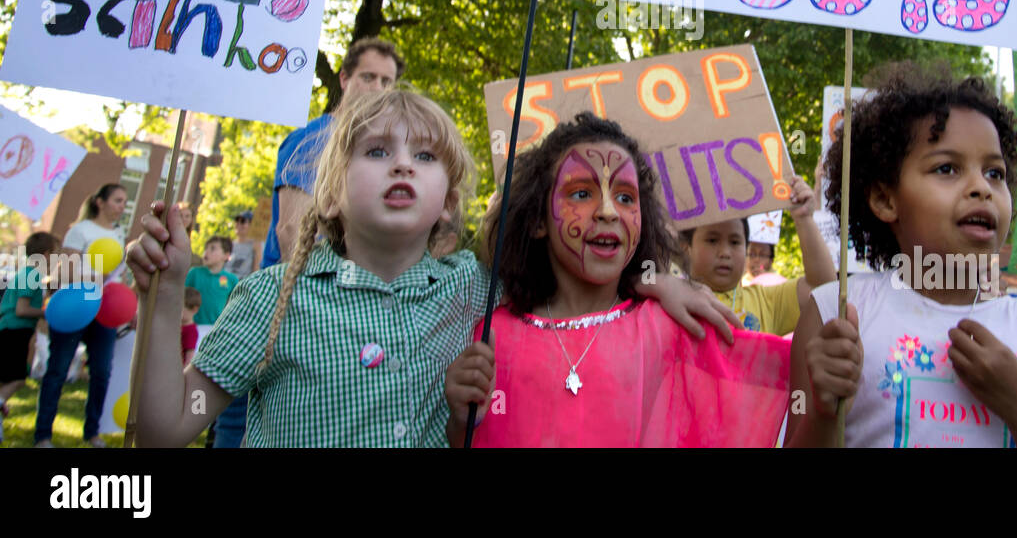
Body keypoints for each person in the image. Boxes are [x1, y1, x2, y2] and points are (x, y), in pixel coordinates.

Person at [126, 90, 731, 447]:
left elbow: (576, 275)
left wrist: (653, 276)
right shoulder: (269, 300)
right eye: (377, 151)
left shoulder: (474, 291)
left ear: (447, 201)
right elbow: (169, 426)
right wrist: (166, 290)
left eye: (423, 156)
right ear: (331, 193)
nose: (402, 167)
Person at [785, 64, 1017, 448]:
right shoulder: (834, 314)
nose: (981, 187)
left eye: (995, 173)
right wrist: (822, 411)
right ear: (885, 199)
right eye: (947, 168)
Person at [444, 113, 789, 447]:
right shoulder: (492, 333)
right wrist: (461, 420)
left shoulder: (671, 326)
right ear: (537, 220)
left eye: (625, 197)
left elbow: (781, 379)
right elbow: (481, 435)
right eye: (581, 193)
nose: (608, 210)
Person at [263, 37, 404, 268]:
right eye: (368, 77)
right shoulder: (312, 138)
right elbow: (291, 231)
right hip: (297, 292)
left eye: (386, 81)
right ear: (345, 79)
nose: (377, 88)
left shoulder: (386, 150)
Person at [34, 183, 128, 448]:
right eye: (118, 200)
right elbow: (64, 271)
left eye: (124, 201)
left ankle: (92, 432)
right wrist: (93, 278)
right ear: (100, 202)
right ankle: (43, 435)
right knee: (58, 370)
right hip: (75, 305)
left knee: (102, 371)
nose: (122, 206)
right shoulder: (80, 230)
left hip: (104, 308)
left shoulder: (120, 234)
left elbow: (116, 273)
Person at [682, 178, 834, 335]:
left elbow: (822, 287)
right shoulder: (670, 296)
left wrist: (804, 219)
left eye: (735, 242)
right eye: (712, 240)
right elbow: (653, 279)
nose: (725, 252)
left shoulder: (767, 303)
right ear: (686, 248)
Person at [0, 232, 58, 444]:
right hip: (15, 331)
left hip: (11, 330)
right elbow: (22, 309)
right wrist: (47, 313)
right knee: (17, 379)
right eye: (55, 254)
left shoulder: (27, 273)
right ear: (45, 254)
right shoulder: (32, 275)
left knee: (5, 379)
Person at [184, 236, 237, 325]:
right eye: (206, 248)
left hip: (216, 329)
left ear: (226, 255)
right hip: (192, 326)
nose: (206, 252)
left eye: (212, 248)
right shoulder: (194, 273)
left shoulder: (232, 280)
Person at [226, 211, 260, 278]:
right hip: (224, 284)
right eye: (237, 221)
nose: (238, 224)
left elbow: (257, 272)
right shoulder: (230, 244)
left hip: (242, 285)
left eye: (242, 221)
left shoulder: (256, 245)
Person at [180, 287, 202, 368]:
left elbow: (190, 356)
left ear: (194, 309)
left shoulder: (191, 331)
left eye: (181, 309)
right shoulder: (177, 326)